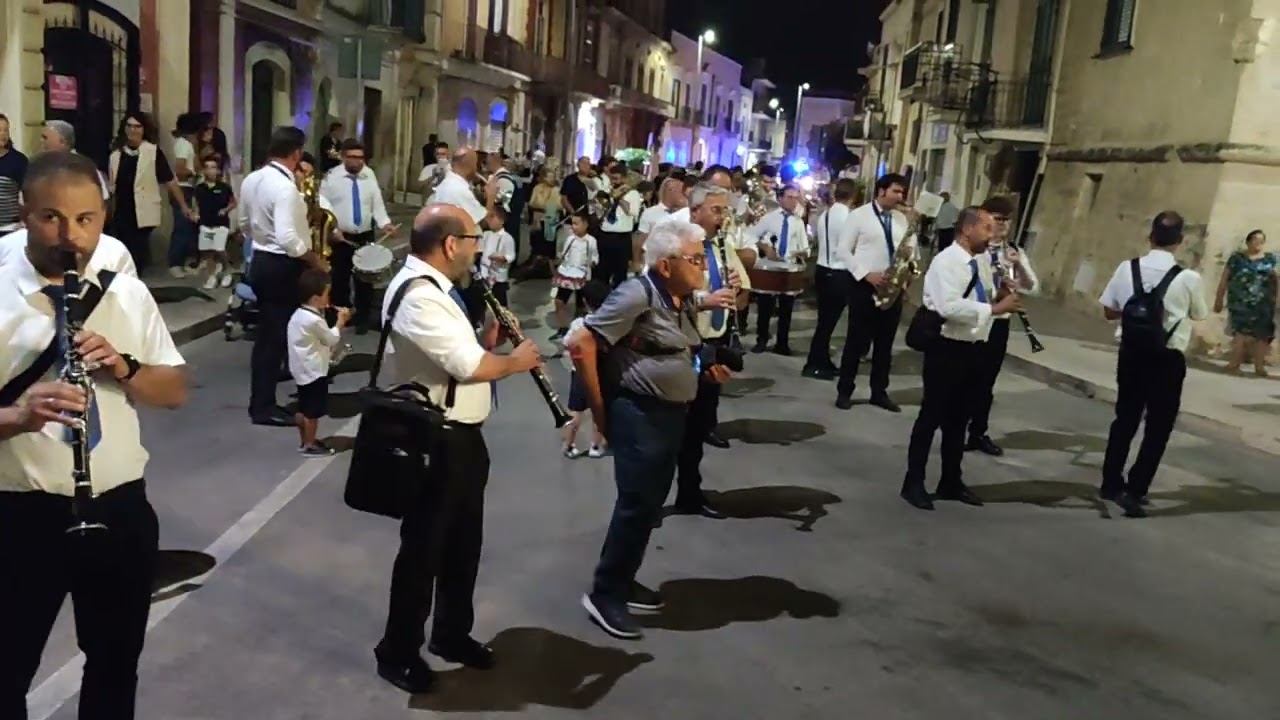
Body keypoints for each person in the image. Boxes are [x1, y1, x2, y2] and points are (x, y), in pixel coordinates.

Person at [0, 150, 187, 719]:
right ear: (24, 215)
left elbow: (172, 390)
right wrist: (18, 415)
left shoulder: (126, 293)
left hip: (120, 510)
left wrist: (124, 367)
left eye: (86, 219)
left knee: (114, 666)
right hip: (21, 514)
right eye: (52, 218)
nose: (71, 237)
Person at [374, 204, 542, 694]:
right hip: (435, 440)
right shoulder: (418, 297)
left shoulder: (438, 290)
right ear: (451, 245)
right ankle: (397, 651)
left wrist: (488, 338)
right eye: (473, 239)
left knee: (462, 546)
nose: (477, 249)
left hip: (461, 438)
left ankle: (450, 633)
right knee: (423, 553)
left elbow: (457, 354)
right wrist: (514, 360)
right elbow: (469, 367)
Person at [566, 218, 733, 640]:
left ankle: (623, 579)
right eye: (695, 260)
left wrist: (703, 371)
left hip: (668, 414)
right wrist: (600, 412)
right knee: (636, 504)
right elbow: (581, 344)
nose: (703, 267)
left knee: (649, 505)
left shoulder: (680, 298)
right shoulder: (636, 294)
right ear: (666, 264)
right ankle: (605, 594)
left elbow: (677, 348)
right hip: (639, 413)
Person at [900, 207, 1020, 511]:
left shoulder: (981, 261)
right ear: (967, 229)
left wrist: (1000, 295)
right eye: (987, 228)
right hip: (946, 347)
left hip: (974, 348)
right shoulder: (946, 262)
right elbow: (949, 307)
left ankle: (951, 480)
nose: (992, 234)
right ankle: (913, 482)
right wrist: (994, 309)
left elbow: (981, 297)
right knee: (931, 418)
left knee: (959, 421)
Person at [1098, 211, 1209, 518]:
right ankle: (1136, 489)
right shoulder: (1188, 278)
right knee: (1158, 427)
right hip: (1166, 358)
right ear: (1180, 241)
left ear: (1150, 236)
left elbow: (1109, 311)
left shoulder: (1127, 268)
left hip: (1131, 353)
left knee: (1125, 418)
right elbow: (1199, 314)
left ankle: (1110, 482)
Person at [239, 126, 328, 427]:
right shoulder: (285, 187)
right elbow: (289, 238)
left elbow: (244, 224)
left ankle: (263, 401)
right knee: (275, 339)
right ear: (297, 153)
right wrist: (314, 259)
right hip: (281, 265)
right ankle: (263, 406)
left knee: (269, 336)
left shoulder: (252, 179)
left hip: (261, 259)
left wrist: (262, 241)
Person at [675, 183, 745, 517]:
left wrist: (735, 287)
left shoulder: (720, 245)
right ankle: (646, 502)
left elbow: (738, 292)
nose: (723, 216)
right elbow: (664, 297)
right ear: (695, 211)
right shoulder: (677, 243)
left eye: (725, 210)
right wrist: (706, 300)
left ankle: (689, 493)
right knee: (671, 429)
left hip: (711, 345)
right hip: (682, 346)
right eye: (716, 210)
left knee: (697, 428)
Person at [833, 172, 916, 413]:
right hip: (864, 286)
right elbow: (843, 251)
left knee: (885, 344)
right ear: (881, 191)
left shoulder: (901, 219)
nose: (900, 196)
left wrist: (906, 276)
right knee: (856, 341)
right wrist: (865, 274)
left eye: (902, 192)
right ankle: (845, 391)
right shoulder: (859, 216)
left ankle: (879, 392)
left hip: (892, 287)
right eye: (896, 191)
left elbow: (909, 251)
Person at [965, 196, 1039, 456]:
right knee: (966, 379)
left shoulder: (1014, 251)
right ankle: (956, 426)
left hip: (999, 324)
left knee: (986, 382)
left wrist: (1017, 266)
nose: (1003, 225)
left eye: (1007, 220)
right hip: (975, 319)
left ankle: (978, 432)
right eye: (998, 219)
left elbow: (1033, 287)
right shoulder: (974, 249)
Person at [320, 138, 396, 334]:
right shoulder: (331, 177)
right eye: (353, 157)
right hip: (341, 236)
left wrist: (384, 223)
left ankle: (363, 318)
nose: (357, 161)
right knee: (340, 278)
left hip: (364, 234)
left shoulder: (369, 175)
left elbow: (376, 201)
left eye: (361, 157)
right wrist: (332, 229)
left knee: (365, 278)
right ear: (343, 157)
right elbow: (322, 204)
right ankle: (341, 315)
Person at [107, 112, 196, 274]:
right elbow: (112, 185)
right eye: (129, 126)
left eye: (137, 126)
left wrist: (184, 206)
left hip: (144, 209)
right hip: (122, 209)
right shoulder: (116, 154)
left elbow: (170, 180)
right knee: (124, 246)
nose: (133, 130)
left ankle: (135, 277)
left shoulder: (152, 152)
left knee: (137, 247)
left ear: (144, 129)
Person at [287, 269, 349, 456]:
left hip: (301, 369)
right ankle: (309, 445)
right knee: (313, 413)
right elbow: (330, 339)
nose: (329, 298)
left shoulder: (298, 315)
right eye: (326, 294)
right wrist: (340, 322)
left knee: (304, 407)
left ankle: (305, 440)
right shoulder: (314, 320)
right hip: (314, 371)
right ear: (315, 298)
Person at [745, 184, 810, 355]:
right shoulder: (769, 218)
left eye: (795, 198)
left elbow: (805, 247)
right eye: (789, 197)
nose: (793, 201)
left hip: (788, 268)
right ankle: (761, 339)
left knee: (786, 309)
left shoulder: (798, 222)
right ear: (780, 199)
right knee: (765, 307)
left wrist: (800, 253)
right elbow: (750, 234)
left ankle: (782, 343)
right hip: (770, 268)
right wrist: (765, 247)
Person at [804, 178, 858, 379]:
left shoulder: (826, 214)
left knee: (824, 321)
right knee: (827, 324)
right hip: (838, 272)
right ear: (853, 196)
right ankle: (814, 363)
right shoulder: (850, 218)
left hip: (822, 269)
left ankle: (822, 359)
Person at [1213, 229, 1276, 376]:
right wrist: (1219, 298)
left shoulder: (1270, 260)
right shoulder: (1237, 259)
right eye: (1255, 240)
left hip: (1263, 304)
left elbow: (1276, 280)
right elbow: (1224, 279)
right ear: (1248, 242)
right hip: (1240, 304)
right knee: (1239, 333)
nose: (1258, 243)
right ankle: (1234, 365)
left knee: (1262, 335)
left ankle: (1259, 367)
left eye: (1261, 241)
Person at [561, 279, 612, 458]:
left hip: (580, 373)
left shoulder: (579, 324)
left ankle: (569, 445)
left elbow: (567, 342)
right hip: (601, 372)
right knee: (599, 409)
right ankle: (595, 446)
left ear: (584, 301)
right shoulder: (609, 323)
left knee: (575, 411)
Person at [551, 212, 599, 338]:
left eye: (576, 224)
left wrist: (593, 262)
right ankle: (562, 328)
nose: (573, 226)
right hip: (568, 274)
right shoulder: (570, 239)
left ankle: (580, 331)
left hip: (582, 276)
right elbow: (564, 254)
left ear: (585, 224)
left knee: (581, 305)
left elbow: (595, 256)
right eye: (572, 223)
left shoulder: (591, 241)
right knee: (559, 301)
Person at [193, 157, 237, 289]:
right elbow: (196, 203)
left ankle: (228, 271)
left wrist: (225, 210)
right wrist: (195, 213)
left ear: (218, 170)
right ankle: (212, 276)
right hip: (206, 223)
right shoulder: (199, 188)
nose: (210, 170)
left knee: (219, 248)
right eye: (207, 167)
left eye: (213, 167)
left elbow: (233, 202)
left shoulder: (224, 187)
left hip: (221, 223)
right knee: (208, 252)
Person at [596, 165, 643, 287]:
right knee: (602, 269)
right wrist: (604, 200)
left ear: (624, 178)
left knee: (620, 271)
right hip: (605, 233)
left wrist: (620, 198)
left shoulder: (633, 194)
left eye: (616, 179)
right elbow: (601, 209)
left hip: (621, 237)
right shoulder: (608, 190)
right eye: (612, 178)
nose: (614, 182)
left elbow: (633, 212)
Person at [39, 120, 109, 200]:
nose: (41, 141)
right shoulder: (39, 167)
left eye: (45, 137)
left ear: (62, 141)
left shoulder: (85, 168)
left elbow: (103, 198)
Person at [478, 206, 515, 307]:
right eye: (488, 218)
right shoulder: (486, 235)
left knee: (500, 302)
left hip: (498, 275)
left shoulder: (507, 238)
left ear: (501, 221)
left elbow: (511, 255)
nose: (489, 221)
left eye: (492, 217)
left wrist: (502, 258)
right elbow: (480, 249)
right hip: (485, 273)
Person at [0, 113, 28, 235]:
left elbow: (27, 194)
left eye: (6, 130)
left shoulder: (18, 161)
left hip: (9, 228)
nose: (3, 134)